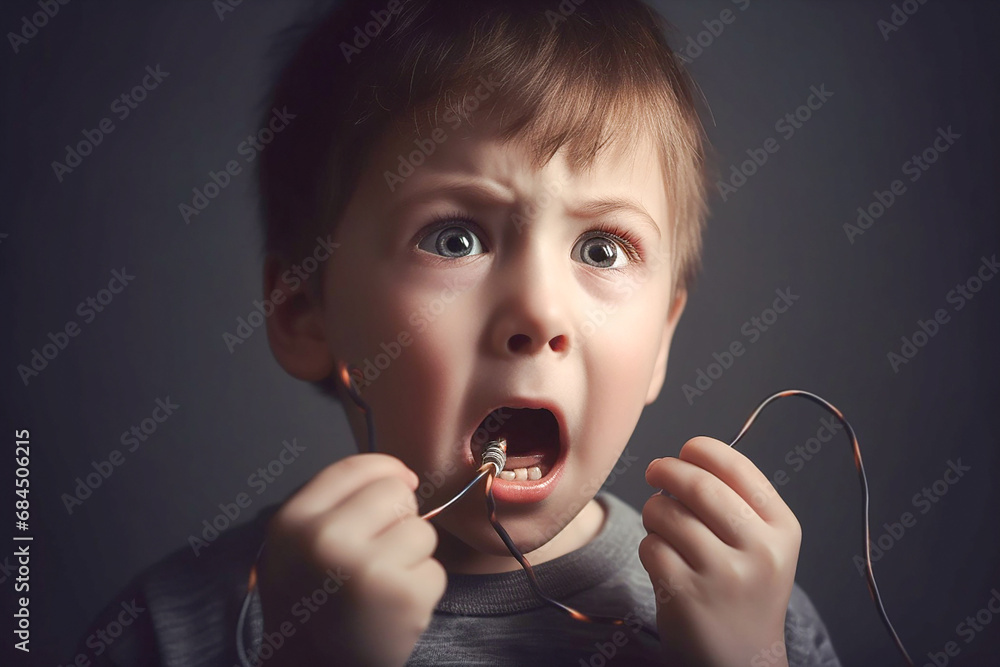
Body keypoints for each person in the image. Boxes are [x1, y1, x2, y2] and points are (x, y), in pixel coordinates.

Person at [78, 0, 842, 664]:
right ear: (304, 312)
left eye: (602, 249)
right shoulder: (170, 629)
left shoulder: (756, 616)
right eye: (455, 239)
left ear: (663, 340)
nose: (539, 313)